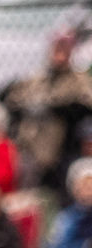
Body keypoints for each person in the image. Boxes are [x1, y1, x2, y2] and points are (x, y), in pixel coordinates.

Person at [5, 29, 92, 198]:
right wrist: (32, 107)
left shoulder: (79, 80)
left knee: (65, 190)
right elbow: (13, 102)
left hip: (65, 147)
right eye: (57, 48)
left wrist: (54, 108)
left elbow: (84, 106)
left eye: (65, 49)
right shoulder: (35, 79)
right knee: (28, 189)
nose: (60, 54)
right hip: (33, 146)